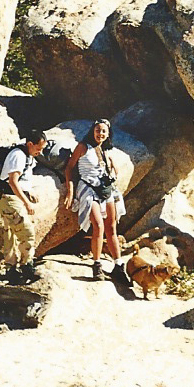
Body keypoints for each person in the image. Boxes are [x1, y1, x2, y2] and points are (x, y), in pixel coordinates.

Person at [64, 118, 130, 285]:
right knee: (98, 226)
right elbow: (70, 168)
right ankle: (97, 264)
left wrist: (113, 168)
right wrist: (70, 190)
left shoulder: (105, 150)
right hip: (88, 188)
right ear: (92, 131)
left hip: (105, 189)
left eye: (103, 131)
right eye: (98, 130)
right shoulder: (83, 147)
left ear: (108, 134)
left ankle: (118, 266)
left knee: (112, 227)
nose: (100, 133)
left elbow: (112, 169)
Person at [0, 129, 47, 284]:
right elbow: (12, 181)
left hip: (8, 198)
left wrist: (29, 191)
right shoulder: (18, 155)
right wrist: (26, 202)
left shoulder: (27, 155)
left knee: (10, 234)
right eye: (38, 148)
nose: (40, 152)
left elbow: (22, 180)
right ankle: (27, 266)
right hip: (9, 198)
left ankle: (11, 269)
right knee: (27, 232)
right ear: (30, 144)